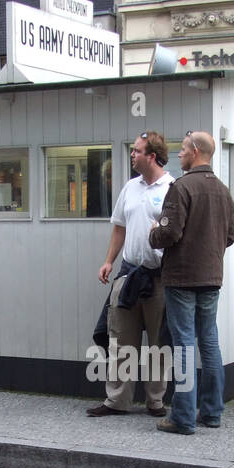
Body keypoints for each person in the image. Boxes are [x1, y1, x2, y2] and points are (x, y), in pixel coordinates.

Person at [148, 131, 234, 435]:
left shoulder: (181, 188)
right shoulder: (223, 191)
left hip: (182, 277)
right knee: (209, 341)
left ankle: (183, 417)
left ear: (196, 151)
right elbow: (230, 236)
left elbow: (169, 233)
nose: (180, 155)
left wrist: (153, 231)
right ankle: (212, 412)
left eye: (183, 150)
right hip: (211, 277)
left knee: (184, 344)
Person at [88, 131, 175, 417]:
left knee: (158, 342)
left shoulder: (172, 188)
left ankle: (155, 400)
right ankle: (117, 400)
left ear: (152, 155)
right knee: (121, 339)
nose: (132, 155)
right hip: (128, 273)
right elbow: (119, 227)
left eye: (137, 151)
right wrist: (108, 261)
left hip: (160, 276)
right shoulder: (130, 187)